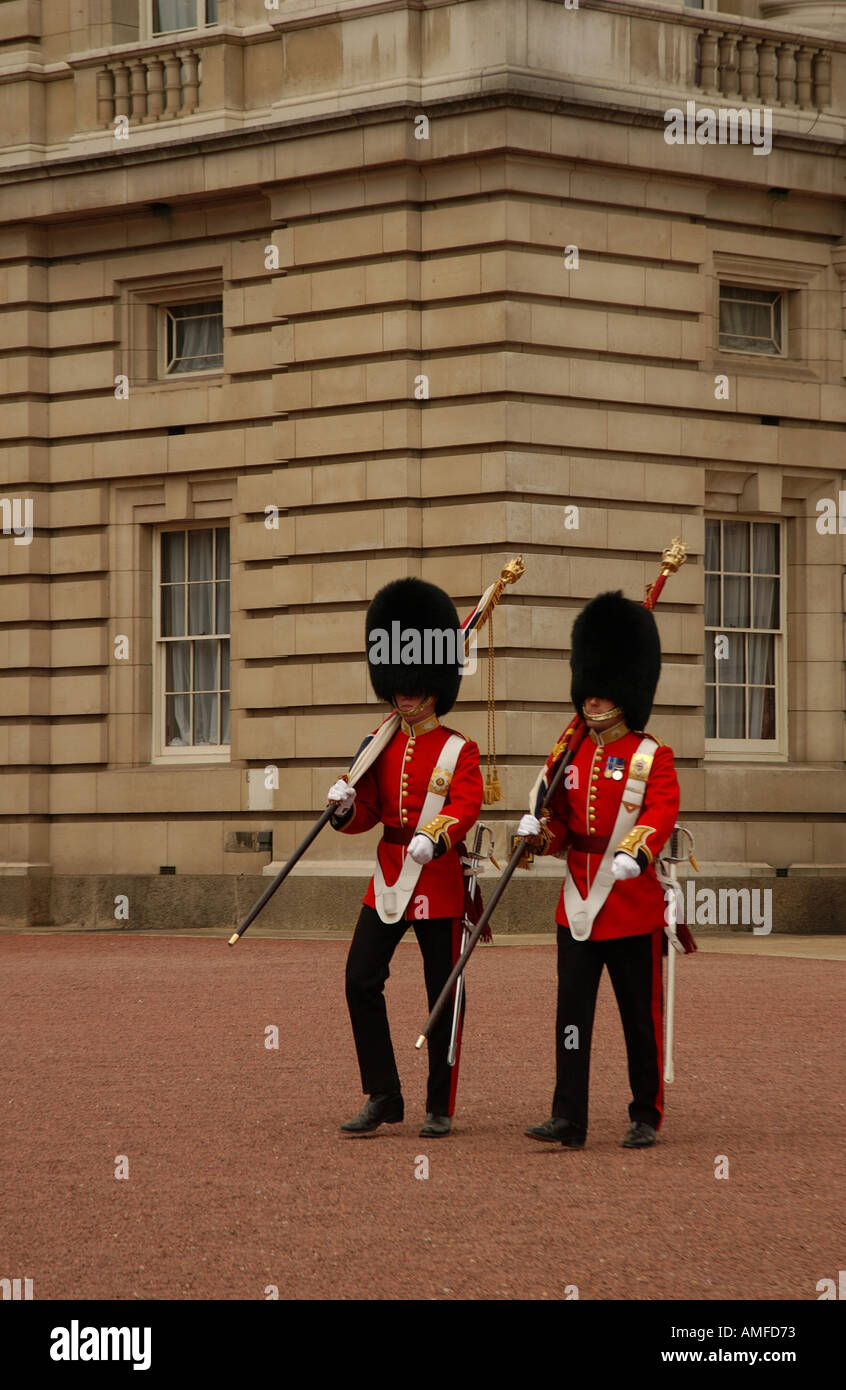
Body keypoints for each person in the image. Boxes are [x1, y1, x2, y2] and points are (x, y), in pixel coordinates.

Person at [519, 590, 680, 1149]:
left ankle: (645, 1113)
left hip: (631, 905)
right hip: (578, 903)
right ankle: (569, 1116)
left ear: (625, 693)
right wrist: (539, 833)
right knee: (571, 1017)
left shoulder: (651, 755)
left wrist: (636, 850)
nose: (592, 699)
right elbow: (563, 827)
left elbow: (660, 811)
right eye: (588, 688)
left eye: (603, 689)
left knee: (639, 1019)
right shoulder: (571, 753)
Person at [327, 577, 483, 1138]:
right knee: (360, 979)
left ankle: (439, 1103)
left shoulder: (460, 748)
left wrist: (435, 835)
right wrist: (345, 807)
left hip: (437, 879)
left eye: (414, 685)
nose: (405, 694)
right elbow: (368, 811)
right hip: (390, 875)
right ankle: (384, 1094)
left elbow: (465, 804)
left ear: (435, 687)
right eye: (398, 684)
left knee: (443, 991)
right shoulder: (380, 742)